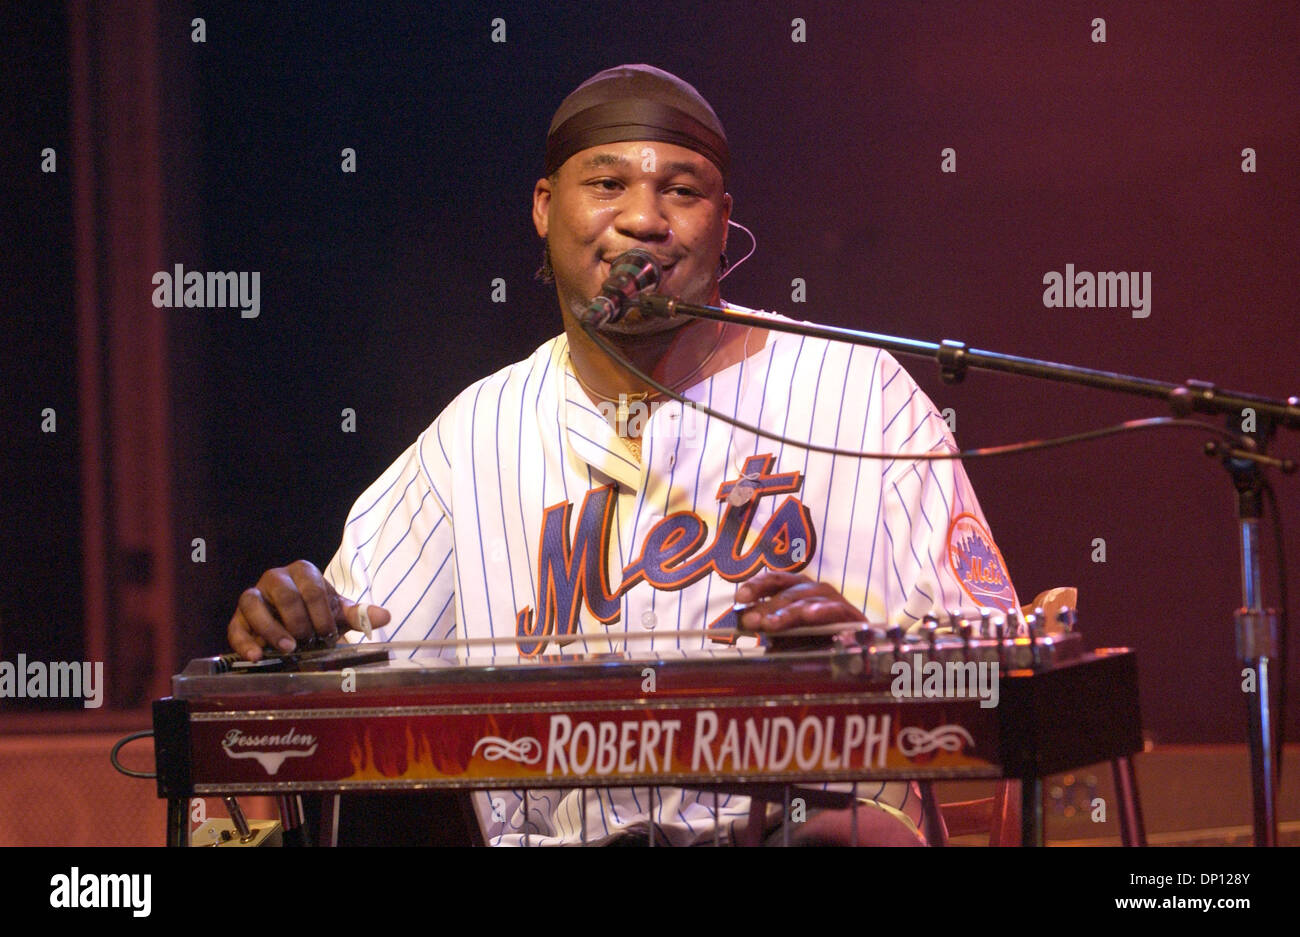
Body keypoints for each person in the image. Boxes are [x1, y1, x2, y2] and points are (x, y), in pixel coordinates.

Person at [226, 64, 1020, 846]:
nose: (644, 218)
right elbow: (345, 671)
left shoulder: (859, 394)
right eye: (607, 184)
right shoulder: (474, 434)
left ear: (724, 216)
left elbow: (1003, 683)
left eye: (681, 189)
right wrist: (292, 625)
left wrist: (873, 668)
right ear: (544, 207)